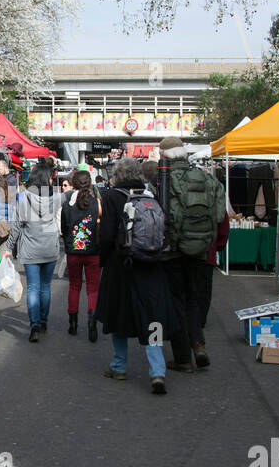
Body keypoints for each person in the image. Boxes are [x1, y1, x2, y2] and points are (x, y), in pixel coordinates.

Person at [94, 158, 177, 395]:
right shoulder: (150, 195)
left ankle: (118, 365)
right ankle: (158, 370)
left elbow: (108, 234)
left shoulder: (111, 196)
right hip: (151, 264)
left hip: (120, 264)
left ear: (118, 174)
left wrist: (104, 260)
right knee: (153, 316)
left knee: (119, 313)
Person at [157, 137, 227, 372]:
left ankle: (183, 358)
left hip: (174, 250)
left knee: (176, 302)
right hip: (200, 249)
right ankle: (198, 344)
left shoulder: (165, 179)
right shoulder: (207, 178)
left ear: (164, 155)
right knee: (193, 300)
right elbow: (219, 215)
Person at [5, 163, 66, 342]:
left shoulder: (23, 197)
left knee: (33, 288)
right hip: (49, 247)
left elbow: (16, 225)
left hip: (30, 249)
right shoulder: (55, 197)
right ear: (47, 178)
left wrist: (8, 247)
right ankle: (44, 321)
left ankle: (34, 326)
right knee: (45, 287)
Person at [61, 169, 102, 341]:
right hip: (93, 251)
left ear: (74, 184)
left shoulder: (67, 205)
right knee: (93, 289)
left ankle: (73, 323)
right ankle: (92, 321)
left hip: (73, 252)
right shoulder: (96, 203)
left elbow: (64, 229)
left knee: (74, 286)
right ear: (90, 184)